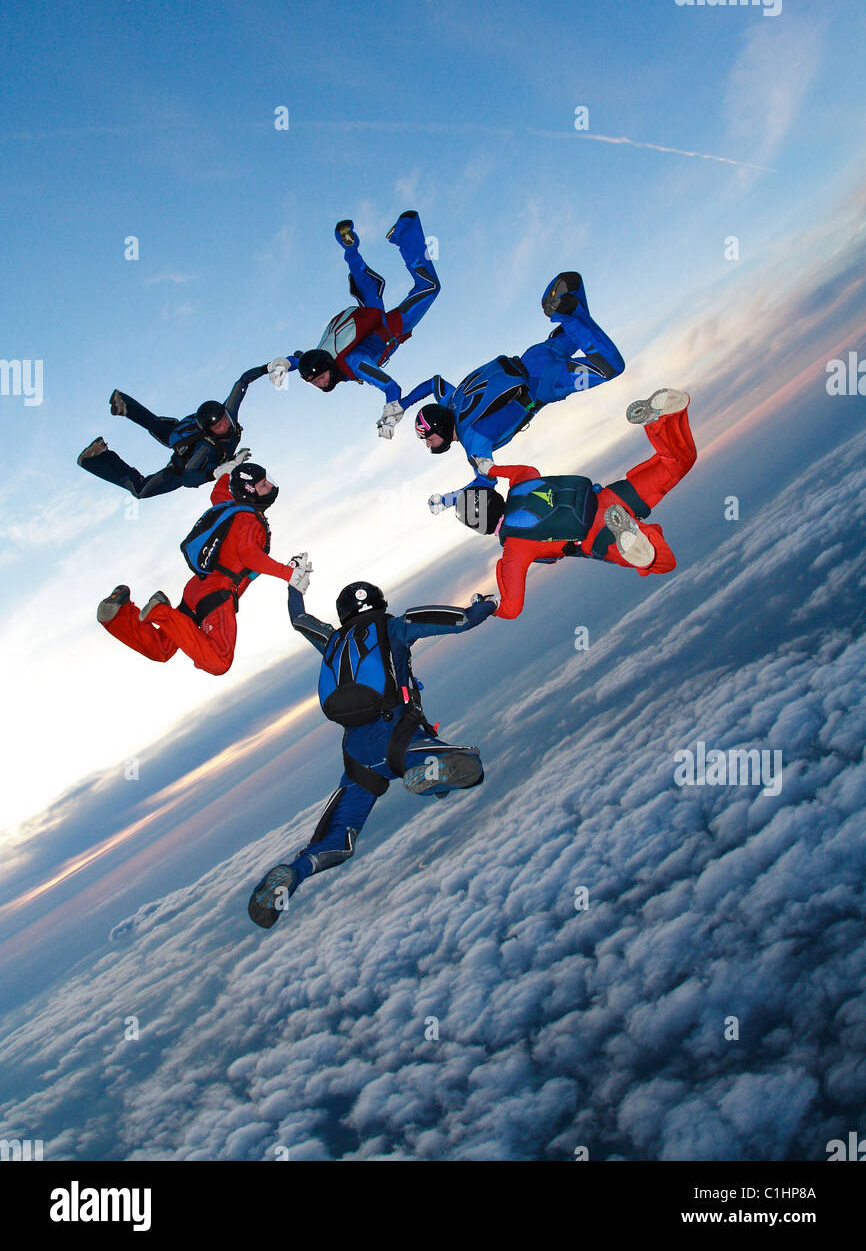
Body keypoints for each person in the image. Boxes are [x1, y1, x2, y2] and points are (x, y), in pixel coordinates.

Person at [247, 577, 498, 927]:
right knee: (471, 766)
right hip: (398, 733)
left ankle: (295, 872)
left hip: (357, 755)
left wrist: (295, 585)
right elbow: (461, 619)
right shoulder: (392, 625)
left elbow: (299, 619)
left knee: (339, 840)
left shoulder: (331, 639)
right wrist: (488, 603)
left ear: (344, 614)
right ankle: (426, 770)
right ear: (379, 603)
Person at [454, 388, 696, 619]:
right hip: (607, 497)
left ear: (479, 526)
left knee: (662, 561)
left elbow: (512, 608)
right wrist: (491, 469)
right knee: (677, 463)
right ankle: (662, 420)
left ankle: (635, 541)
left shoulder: (514, 550)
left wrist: (489, 605)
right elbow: (526, 470)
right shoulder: (520, 485)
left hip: (598, 534)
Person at [389, 272, 625, 508]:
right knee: (579, 328)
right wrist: (402, 404)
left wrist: (446, 501)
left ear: (440, 428)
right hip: (533, 356)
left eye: (428, 438)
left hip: (544, 382)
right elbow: (434, 383)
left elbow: (485, 484)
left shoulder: (474, 441)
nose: (428, 445)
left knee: (609, 366)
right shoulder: (452, 400)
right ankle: (568, 300)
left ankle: (566, 313)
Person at [96, 461, 307, 675]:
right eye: (263, 485)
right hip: (217, 593)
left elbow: (218, 493)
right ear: (250, 490)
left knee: (162, 648)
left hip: (198, 587)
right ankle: (160, 611)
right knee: (219, 660)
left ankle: (116, 616)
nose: (270, 487)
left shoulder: (231, 506)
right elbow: (249, 555)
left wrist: (227, 472)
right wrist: (289, 574)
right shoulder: (249, 519)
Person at [268, 212, 439, 423]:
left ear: (328, 367)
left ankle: (405, 232)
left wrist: (392, 413)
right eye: (316, 382)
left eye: (321, 378)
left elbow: (391, 386)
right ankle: (350, 249)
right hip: (369, 321)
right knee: (366, 289)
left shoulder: (355, 363)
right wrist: (283, 364)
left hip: (390, 328)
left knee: (429, 287)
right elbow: (301, 359)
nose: (321, 384)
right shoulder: (321, 357)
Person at [76, 362, 269, 499]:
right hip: (177, 471)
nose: (225, 426)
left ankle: (125, 404)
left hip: (186, 439)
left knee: (169, 434)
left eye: (224, 420)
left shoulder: (229, 412)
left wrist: (275, 366)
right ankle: (98, 457)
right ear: (209, 431)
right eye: (217, 426)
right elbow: (187, 478)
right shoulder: (205, 449)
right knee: (141, 491)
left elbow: (243, 381)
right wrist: (215, 474)